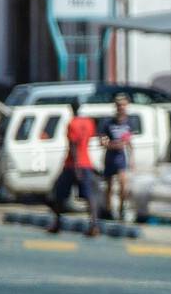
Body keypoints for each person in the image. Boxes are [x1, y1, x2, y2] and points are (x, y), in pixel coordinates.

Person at [48, 98, 101, 236]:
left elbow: (73, 144)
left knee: (59, 193)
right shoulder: (89, 122)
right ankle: (94, 225)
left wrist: (76, 165)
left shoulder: (72, 123)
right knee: (90, 196)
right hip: (86, 162)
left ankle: (57, 223)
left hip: (72, 164)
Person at [101, 94, 133, 221]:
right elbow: (103, 141)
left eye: (124, 105)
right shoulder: (108, 123)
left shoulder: (128, 122)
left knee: (123, 184)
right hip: (110, 156)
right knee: (108, 186)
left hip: (121, 157)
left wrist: (132, 158)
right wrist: (113, 144)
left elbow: (129, 141)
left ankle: (121, 209)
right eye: (119, 105)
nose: (122, 108)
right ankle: (108, 210)